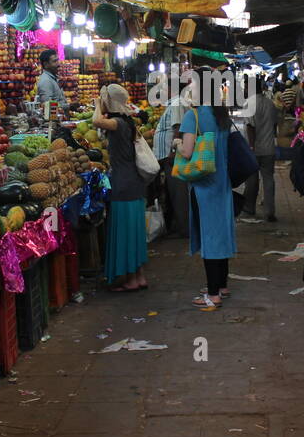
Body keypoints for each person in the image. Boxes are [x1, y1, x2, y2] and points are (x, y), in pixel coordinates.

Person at [178, 92, 236, 309]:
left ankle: (213, 295)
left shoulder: (193, 116)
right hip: (223, 183)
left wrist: (177, 143)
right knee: (220, 234)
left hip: (204, 186)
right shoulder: (221, 114)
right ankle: (221, 285)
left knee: (210, 238)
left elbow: (187, 151)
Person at [92, 84, 149, 292]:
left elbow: (96, 121)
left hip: (123, 183)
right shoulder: (127, 121)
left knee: (125, 231)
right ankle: (139, 276)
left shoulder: (117, 122)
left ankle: (131, 280)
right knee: (134, 231)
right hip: (133, 182)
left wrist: (98, 104)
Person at [153, 84, 193, 238]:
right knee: (173, 192)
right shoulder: (175, 102)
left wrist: (173, 152)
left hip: (173, 156)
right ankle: (178, 226)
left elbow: (179, 128)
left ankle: (184, 229)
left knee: (178, 192)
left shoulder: (177, 102)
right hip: (170, 155)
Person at [240, 77, 279, 223]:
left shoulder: (249, 103)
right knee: (268, 179)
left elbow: (250, 127)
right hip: (269, 147)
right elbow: (274, 126)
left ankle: (249, 208)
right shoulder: (270, 103)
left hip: (254, 148)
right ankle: (270, 211)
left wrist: (251, 147)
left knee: (252, 179)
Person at [35, 48, 69, 113]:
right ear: (46, 64)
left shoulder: (53, 78)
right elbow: (48, 107)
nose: (58, 64)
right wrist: (68, 106)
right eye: (54, 61)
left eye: (58, 60)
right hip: (54, 121)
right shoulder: (46, 81)